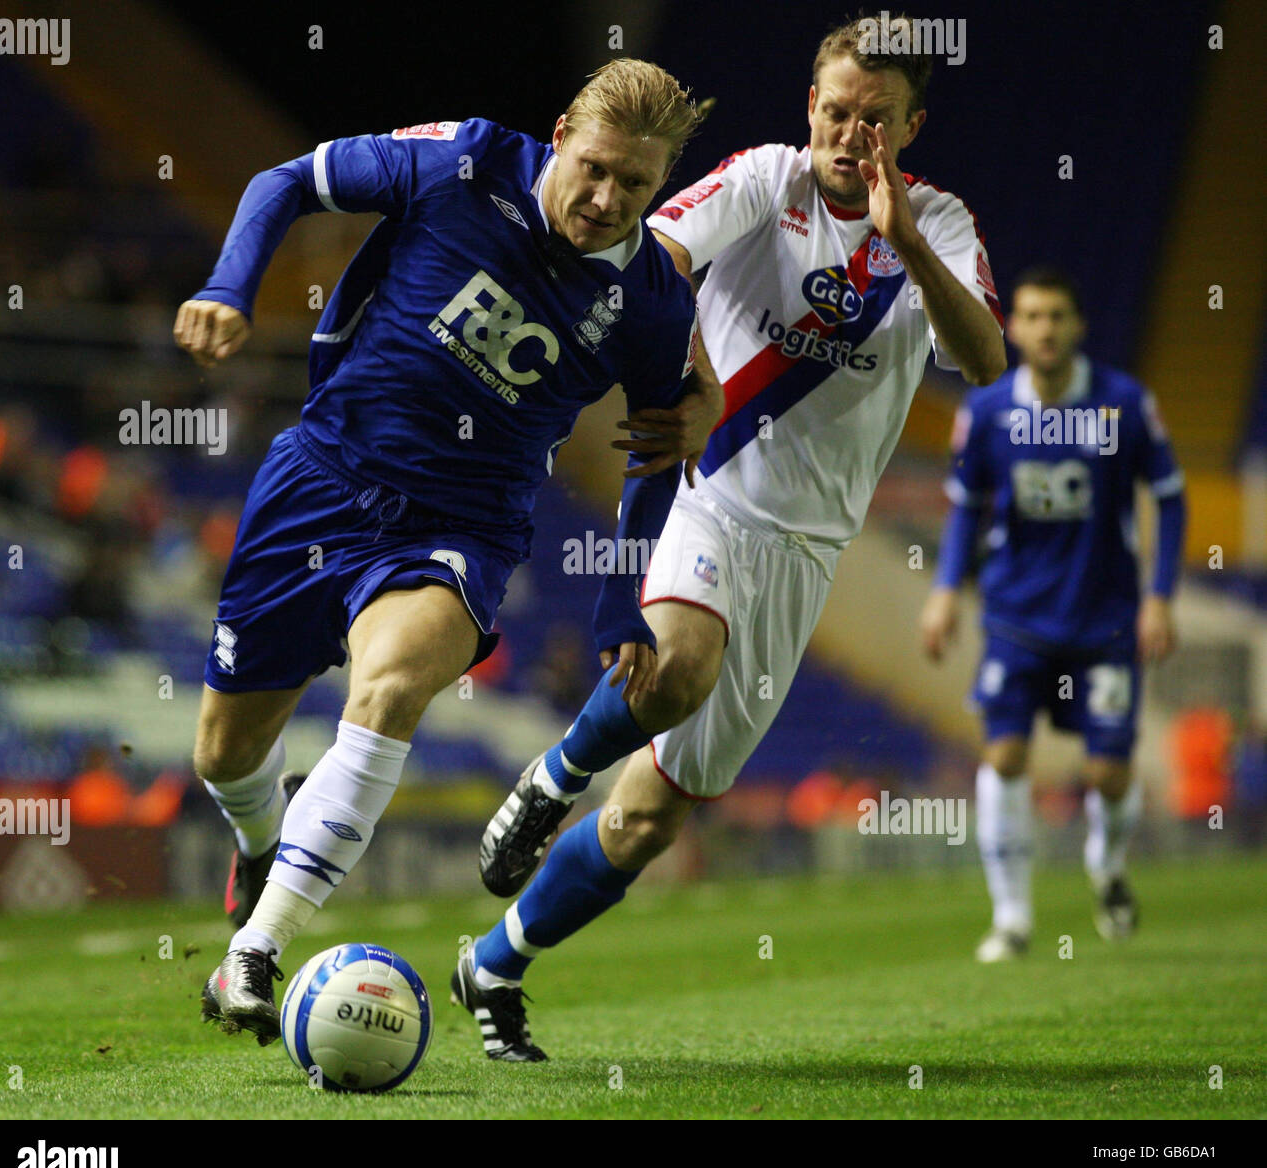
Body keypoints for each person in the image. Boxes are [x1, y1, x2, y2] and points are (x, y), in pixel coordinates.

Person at [457, 14, 1006, 1060]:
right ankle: (549, 778)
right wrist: (694, 382)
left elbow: (980, 360)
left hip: (807, 554)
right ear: (811, 106)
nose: (851, 134)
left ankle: (493, 962)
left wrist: (904, 246)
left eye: (875, 120)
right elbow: (652, 253)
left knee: (652, 820)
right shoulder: (766, 181)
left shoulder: (938, 223)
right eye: (837, 111)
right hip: (706, 492)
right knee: (678, 666)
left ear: (911, 125)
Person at [173, 58, 725, 1043]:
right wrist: (229, 287)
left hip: (459, 527)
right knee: (224, 752)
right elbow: (285, 182)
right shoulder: (464, 163)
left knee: (385, 693)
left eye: (633, 185)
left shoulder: (648, 302)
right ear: (559, 134)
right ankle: (260, 840)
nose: (605, 199)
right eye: (594, 168)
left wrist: (618, 596)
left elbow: (657, 444)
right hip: (320, 479)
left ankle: (254, 951)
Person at [919, 265, 1186, 961]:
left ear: (1077, 327)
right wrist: (947, 590)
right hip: (1014, 618)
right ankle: (1010, 917)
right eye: (1032, 316)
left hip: (1105, 622)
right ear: (1013, 327)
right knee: (1004, 755)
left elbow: (1172, 496)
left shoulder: (1122, 405)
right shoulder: (985, 410)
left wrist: (1159, 597)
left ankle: (1107, 863)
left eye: (1057, 316)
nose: (1044, 328)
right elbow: (965, 508)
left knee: (1107, 775)